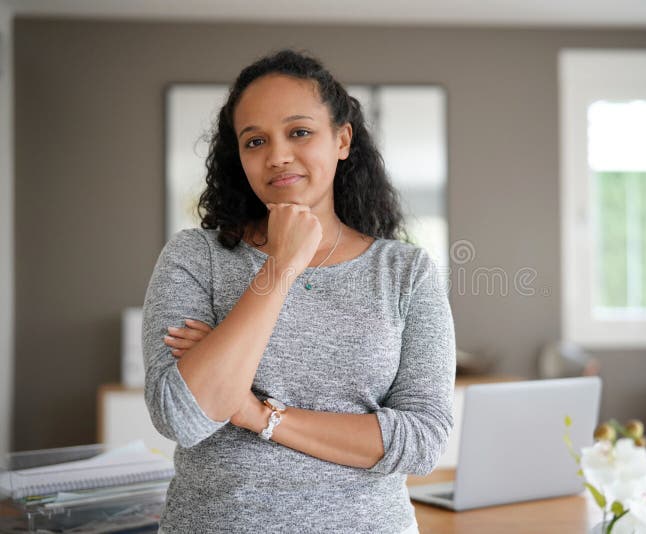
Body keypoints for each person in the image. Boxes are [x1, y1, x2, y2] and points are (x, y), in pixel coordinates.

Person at [141, 49, 456, 533]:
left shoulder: (406, 271)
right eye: (255, 141)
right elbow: (181, 417)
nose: (277, 156)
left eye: (300, 132)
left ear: (342, 140)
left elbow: (421, 442)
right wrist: (282, 265)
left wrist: (254, 412)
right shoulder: (194, 257)